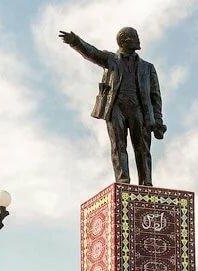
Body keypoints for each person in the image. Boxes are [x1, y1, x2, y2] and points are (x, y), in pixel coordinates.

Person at [59, 27, 166, 186]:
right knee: (118, 146)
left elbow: (155, 96)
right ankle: (123, 181)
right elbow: (91, 52)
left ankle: (146, 183)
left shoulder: (148, 67)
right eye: (134, 37)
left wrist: (158, 121)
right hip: (116, 107)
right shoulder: (111, 59)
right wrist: (75, 41)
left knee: (142, 149)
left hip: (140, 109)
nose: (138, 40)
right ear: (124, 41)